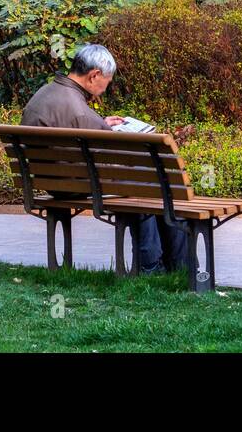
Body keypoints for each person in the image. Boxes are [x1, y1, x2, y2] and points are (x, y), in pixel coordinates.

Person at [21, 43, 187, 274]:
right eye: (107, 81)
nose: (107, 86)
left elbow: (74, 124)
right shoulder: (80, 112)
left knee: (149, 186)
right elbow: (115, 159)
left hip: (51, 181)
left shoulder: (45, 94)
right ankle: (164, 266)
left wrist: (101, 124)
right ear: (94, 75)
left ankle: (163, 265)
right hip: (74, 185)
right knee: (155, 185)